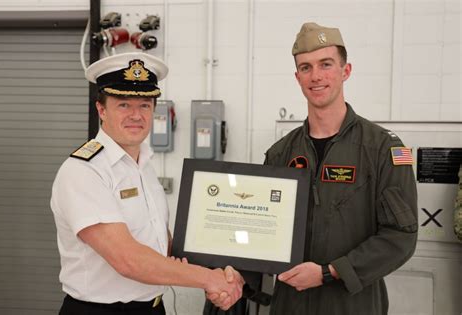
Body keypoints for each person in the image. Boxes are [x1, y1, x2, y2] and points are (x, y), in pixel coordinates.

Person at [50, 52, 243, 315]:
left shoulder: (145, 168)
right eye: (123, 105)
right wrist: (210, 280)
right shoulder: (84, 171)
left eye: (144, 105)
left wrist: (221, 269)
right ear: (101, 110)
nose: (136, 115)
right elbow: (127, 260)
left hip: (152, 308)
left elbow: (161, 244)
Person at [263, 22, 418, 314]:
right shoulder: (280, 153)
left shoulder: (383, 150)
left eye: (326, 64)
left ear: (345, 71)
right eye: (306, 68)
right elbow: (264, 230)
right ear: (297, 78)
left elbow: (401, 236)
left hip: (352, 303)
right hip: (289, 303)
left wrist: (330, 271)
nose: (316, 76)